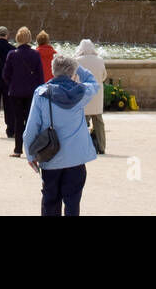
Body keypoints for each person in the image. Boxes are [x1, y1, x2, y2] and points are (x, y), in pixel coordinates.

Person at [23, 54, 100, 216]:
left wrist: (30, 155)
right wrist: (78, 66)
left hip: (51, 158)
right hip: (76, 159)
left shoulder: (41, 93)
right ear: (72, 73)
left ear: (53, 71)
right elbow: (94, 82)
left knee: (50, 202)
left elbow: (30, 129)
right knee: (73, 202)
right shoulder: (81, 92)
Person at [2, 27, 44, 158]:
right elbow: (40, 76)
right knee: (31, 121)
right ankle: (33, 150)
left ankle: (17, 149)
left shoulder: (12, 54)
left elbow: (5, 74)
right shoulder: (35, 54)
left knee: (18, 121)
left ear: (18, 38)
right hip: (31, 92)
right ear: (29, 39)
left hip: (15, 92)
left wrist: (12, 84)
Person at [74, 39, 107, 154]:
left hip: (83, 96)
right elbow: (103, 76)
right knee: (98, 121)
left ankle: (81, 147)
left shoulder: (77, 61)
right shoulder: (100, 60)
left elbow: (73, 78)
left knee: (81, 123)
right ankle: (102, 147)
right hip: (97, 95)